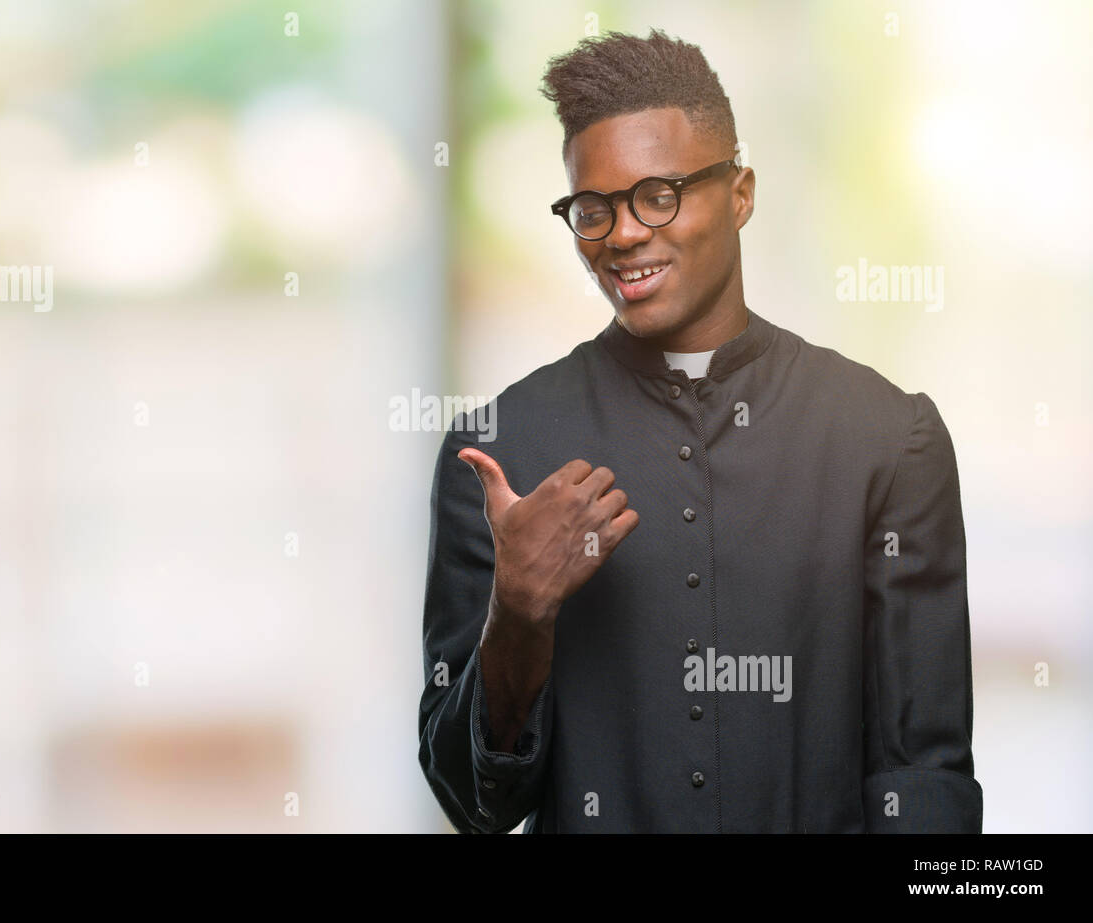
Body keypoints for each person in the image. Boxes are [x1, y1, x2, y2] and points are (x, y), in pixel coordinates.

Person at [417, 28, 982, 833]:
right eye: (592, 208)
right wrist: (518, 612)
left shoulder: (889, 439)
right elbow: (472, 803)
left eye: (658, 194)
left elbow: (924, 774)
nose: (620, 234)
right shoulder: (500, 452)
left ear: (741, 192)